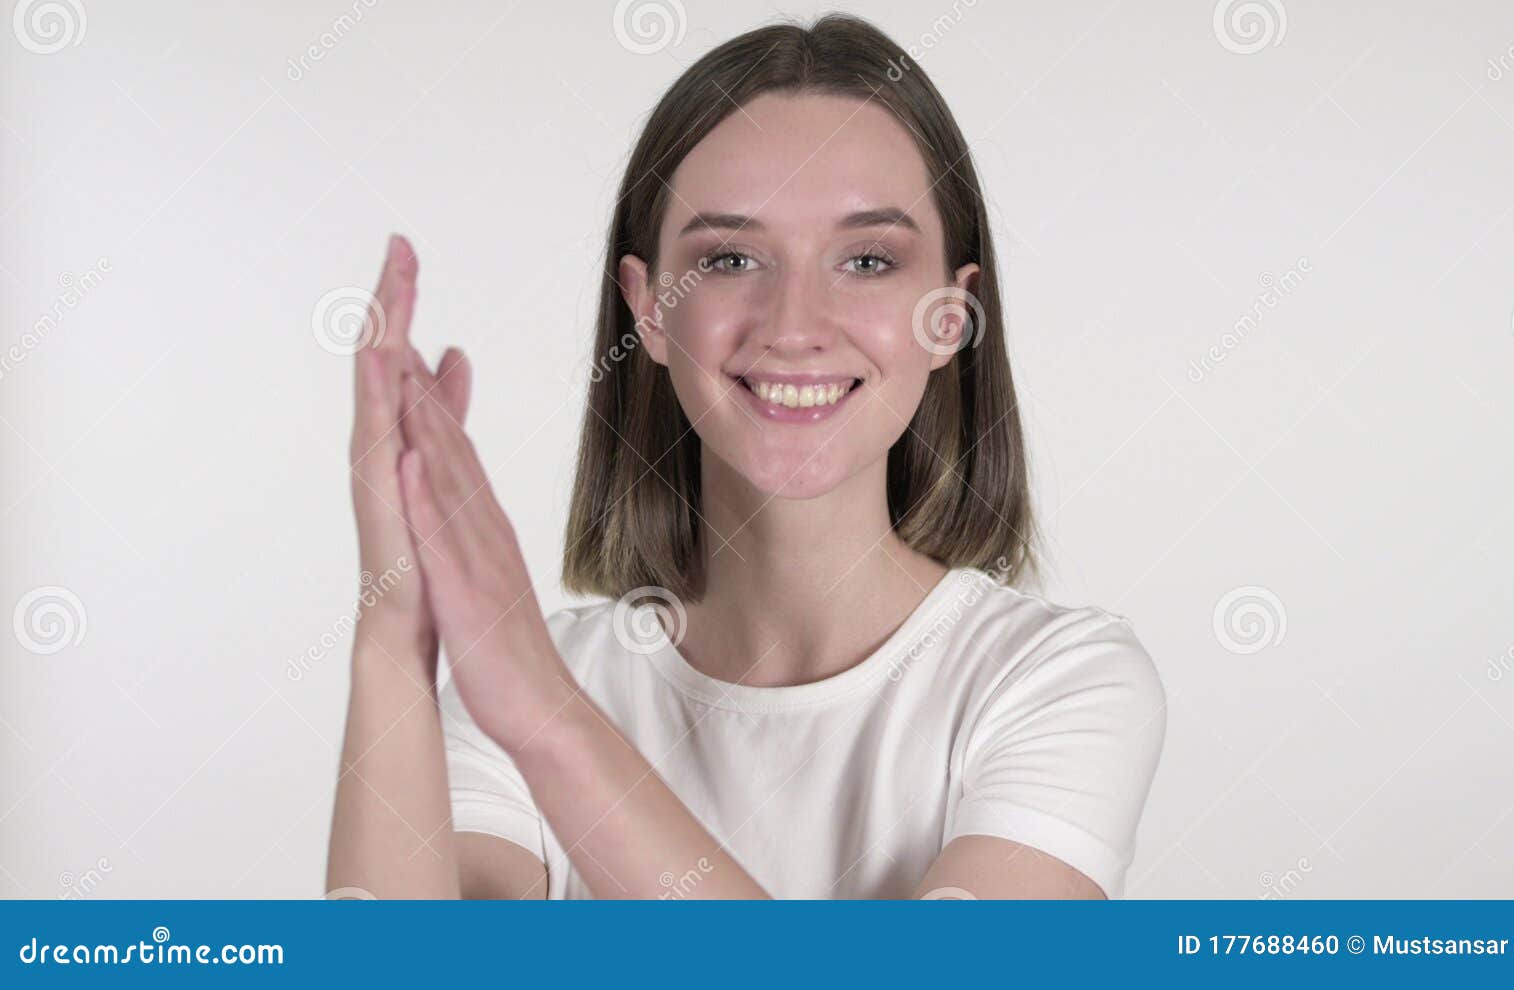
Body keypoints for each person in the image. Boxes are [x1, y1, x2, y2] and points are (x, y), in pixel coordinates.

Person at [325, 13, 1166, 901]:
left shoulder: (1056, 682)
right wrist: (394, 631)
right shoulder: (524, 684)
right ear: (648, 308)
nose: (794, 325)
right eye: (729, 257)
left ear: (951, 318)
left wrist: (547, 720)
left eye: (869, 260)